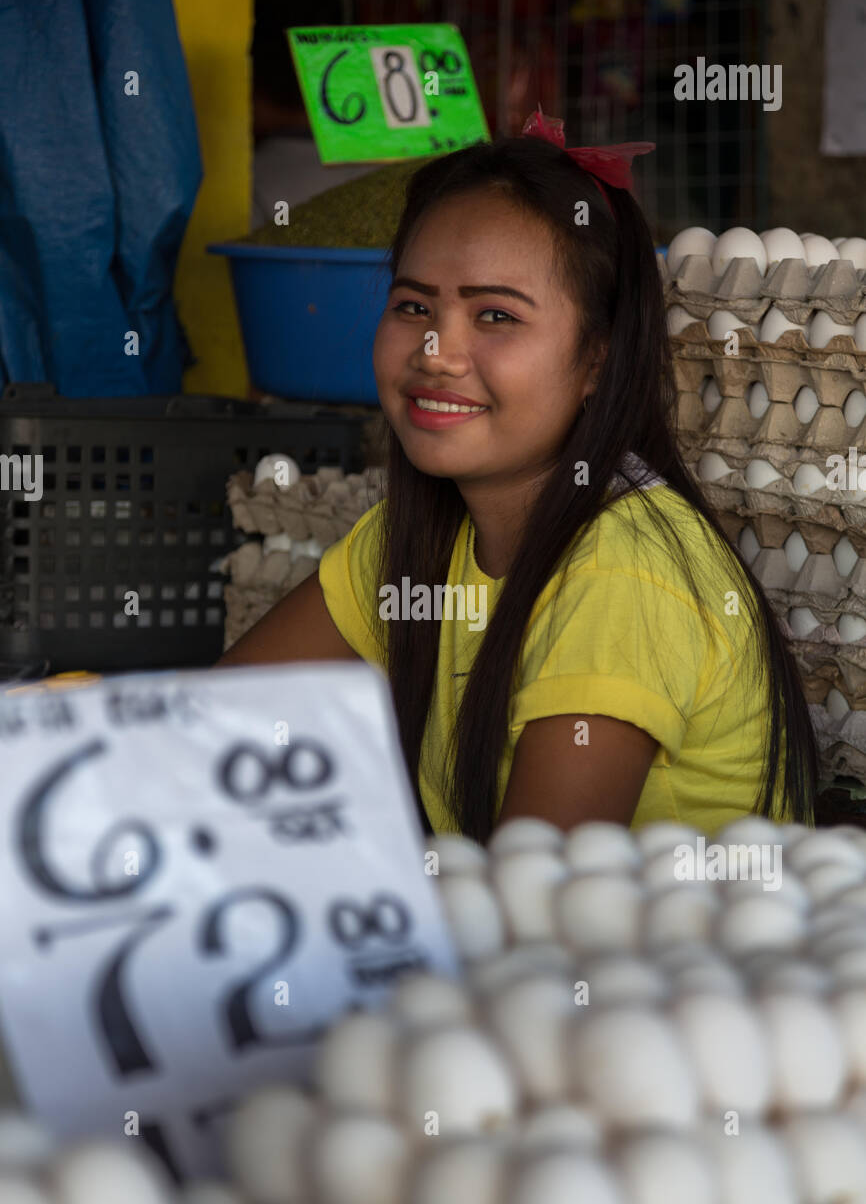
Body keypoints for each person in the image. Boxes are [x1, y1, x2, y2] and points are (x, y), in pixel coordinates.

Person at [217, 113, 818, 844]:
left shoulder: (621, 575)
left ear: (597, 358)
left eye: (496, 315)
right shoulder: (418, 537)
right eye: (413, 307)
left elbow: (531, 892)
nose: (436, 352)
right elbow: (215, 717)